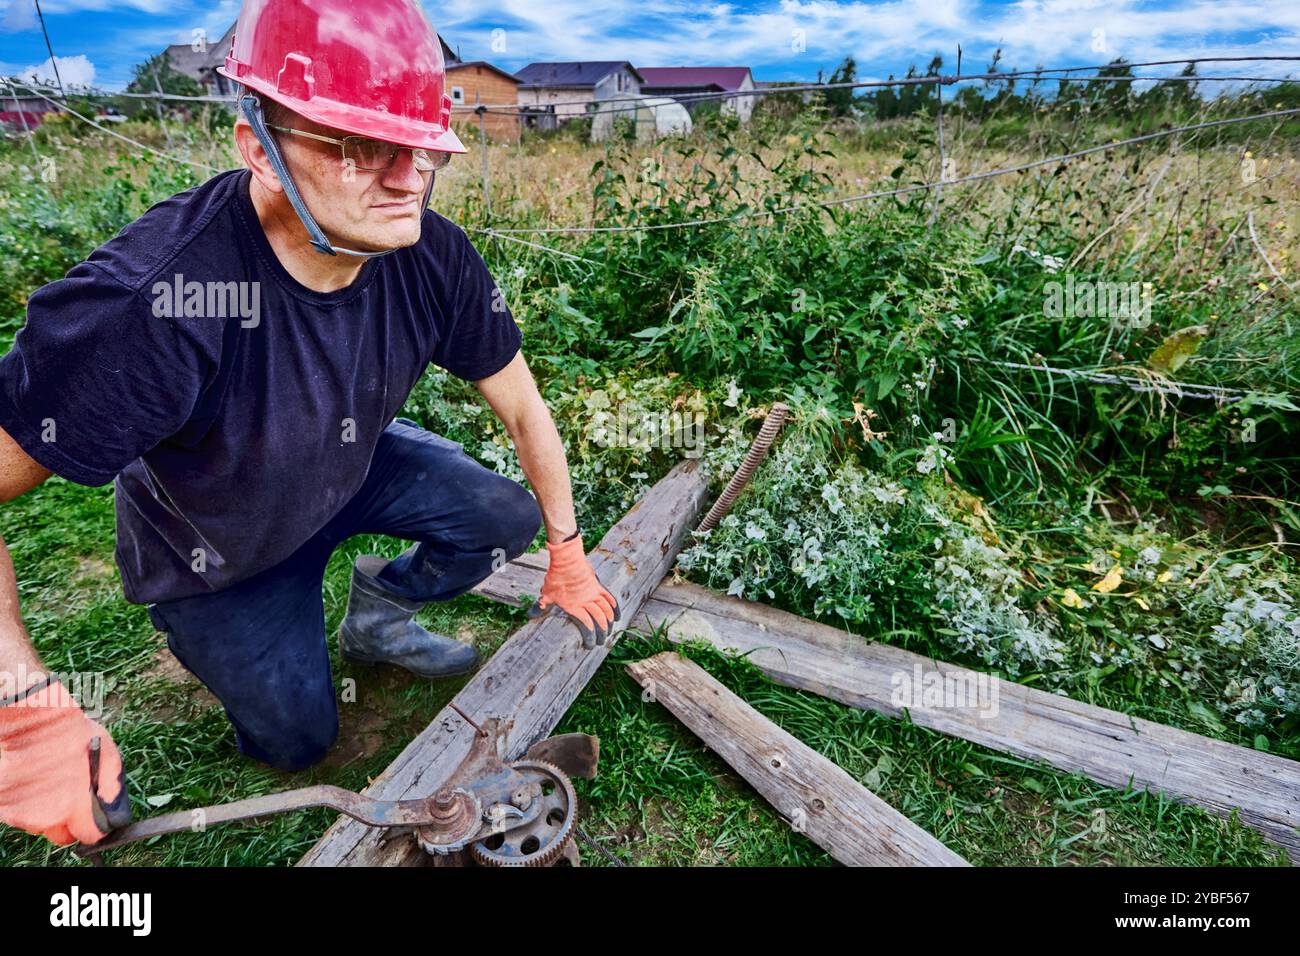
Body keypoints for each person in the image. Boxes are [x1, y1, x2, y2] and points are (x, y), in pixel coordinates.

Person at [0, 0, 618, 849]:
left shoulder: (429, 252)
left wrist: (570, 557)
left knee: (504, 518)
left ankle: (379, 608)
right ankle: (239, 651)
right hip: (219, 549)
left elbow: (522, 405)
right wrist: (22, 707)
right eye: (359, 146)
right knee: (297, 744)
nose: (407, 179)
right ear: (258, 143)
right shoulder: (151, 304)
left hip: (350, 468)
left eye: (423, 148)